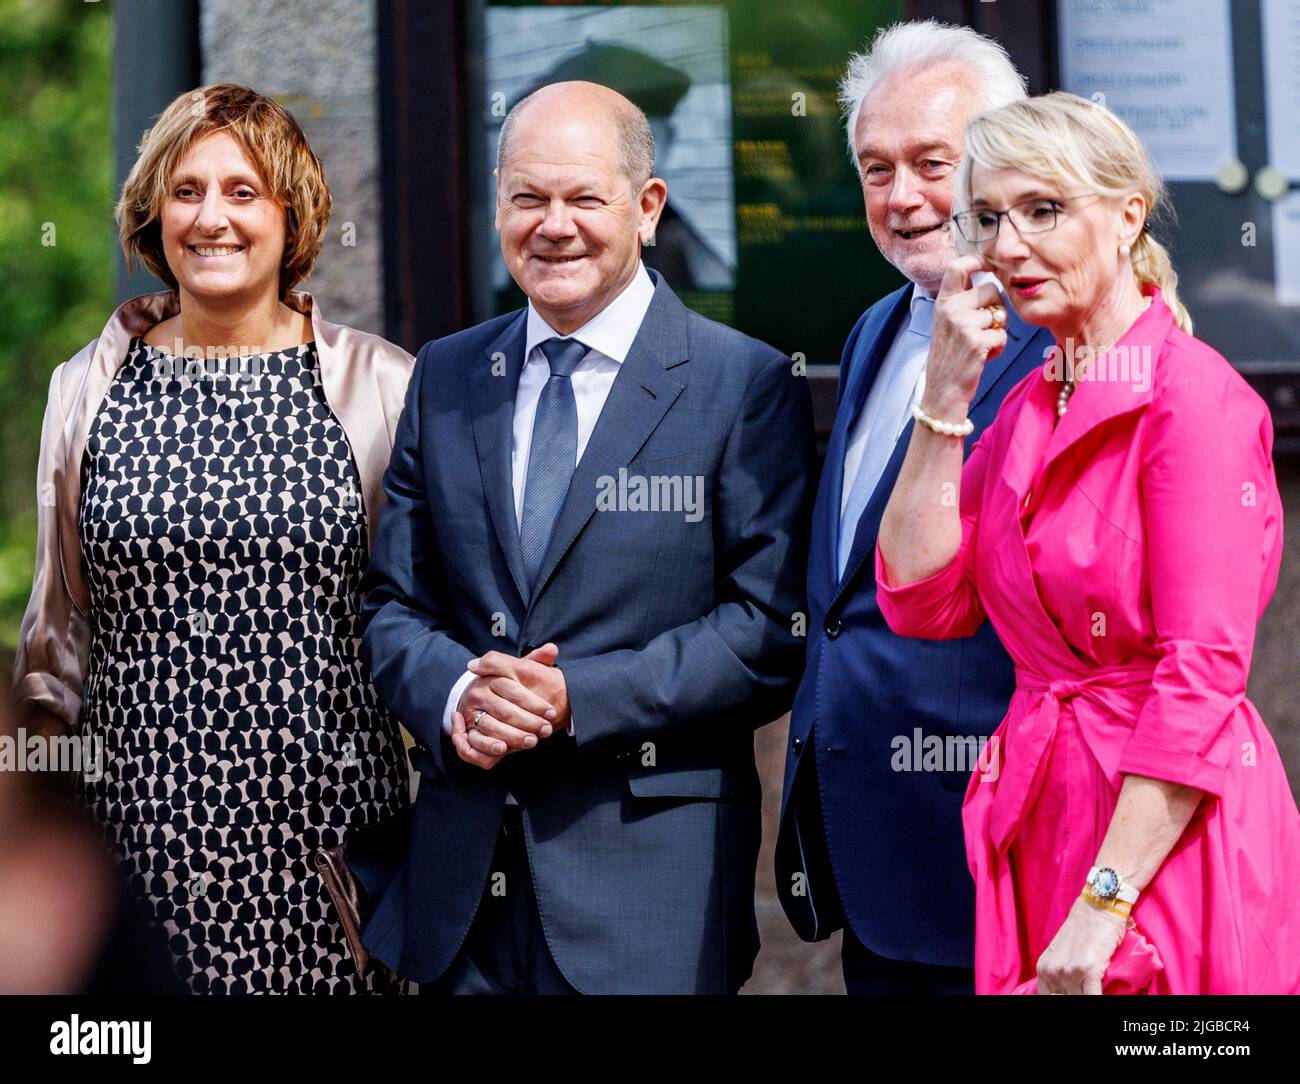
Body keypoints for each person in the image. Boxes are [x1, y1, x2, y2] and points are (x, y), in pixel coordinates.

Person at [358, 79, 815, 994]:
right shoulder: (449, 375)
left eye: (583, 198)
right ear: (499, 205)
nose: (553, 225)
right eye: (528, 198)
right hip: (462, 901)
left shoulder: (742, 384)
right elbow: (392, 606)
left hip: (650, 901)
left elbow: (765, 631)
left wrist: (573, 698)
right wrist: (458, 698)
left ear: (647, 208)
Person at [876, 91, 1300, 994]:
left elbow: (1201, 679)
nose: (1010, 246)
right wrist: (943, 399)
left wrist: (1104, 902)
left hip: (1162, 837)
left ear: (1127, 216)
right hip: (1049, 813)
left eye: (1043, 210)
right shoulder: (1033, 402)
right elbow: (920, 598)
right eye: (988, 218)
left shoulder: (1194, 402)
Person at [12, 83, 414, 993]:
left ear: (291, 213)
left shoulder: (382, 385)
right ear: (155, 212)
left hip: (328, 858)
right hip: (137, 843)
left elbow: (422, 621)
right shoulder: (87, 387)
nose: (212, 217)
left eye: (243, 191)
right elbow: (54, 642)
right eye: (187, 189)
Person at [774, 20, 1053, 994]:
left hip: (1010, 867)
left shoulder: (1069, 345)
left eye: (932, 162)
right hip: (873, 853)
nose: (901, 197)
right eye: (874, 167)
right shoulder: (871, 330)